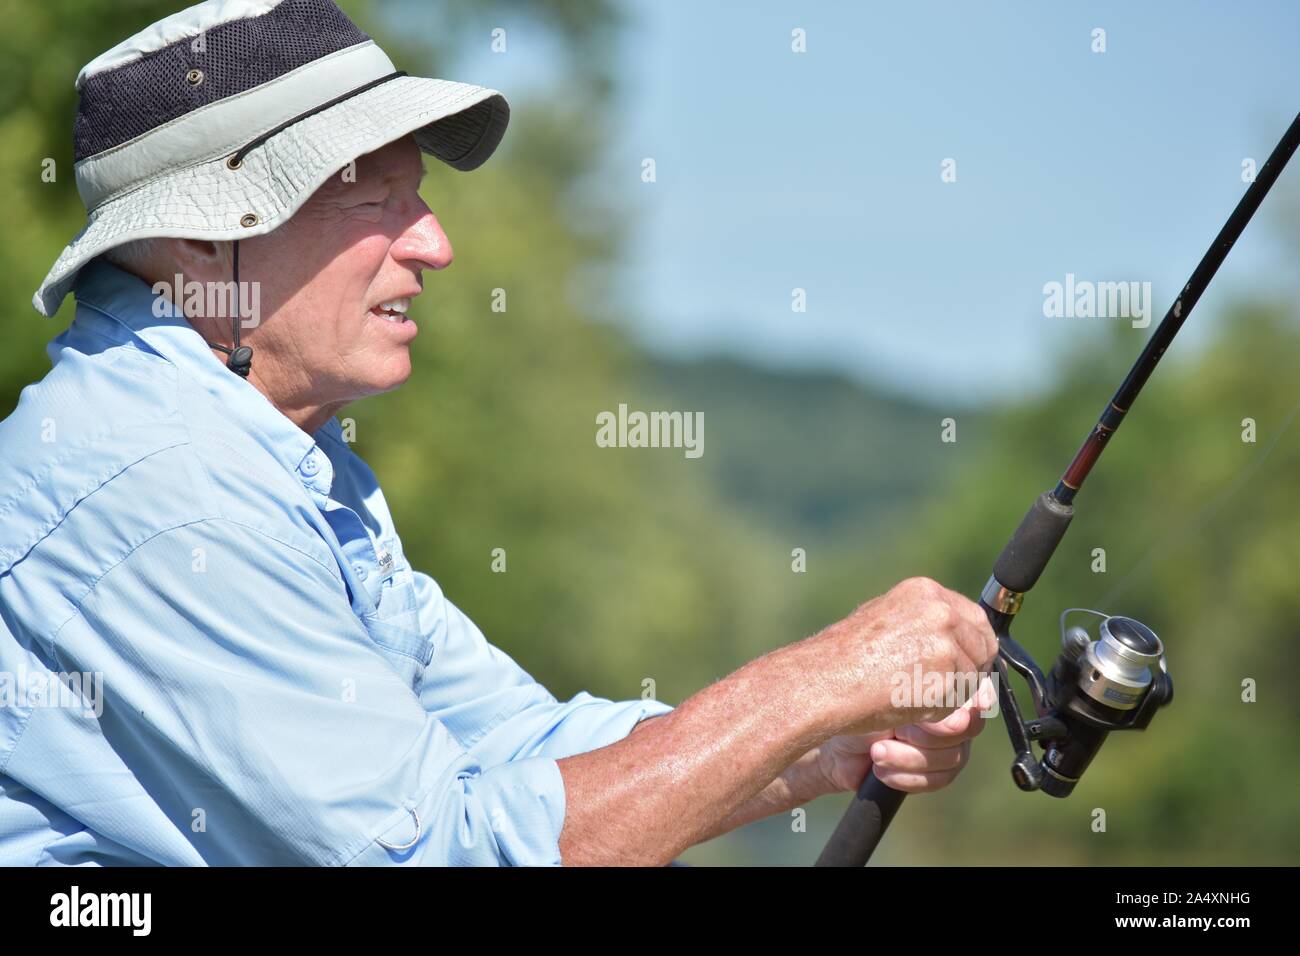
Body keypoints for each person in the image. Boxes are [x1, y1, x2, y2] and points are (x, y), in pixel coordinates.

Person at [0, 0, 998, 866]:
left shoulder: (264, 452)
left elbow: (517, 748)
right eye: (374, 199)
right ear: (200, 242)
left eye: (419, 195)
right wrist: (812, 682)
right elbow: (452, 850)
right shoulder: (164, 494)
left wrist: (825, 742)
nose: (434, 240)